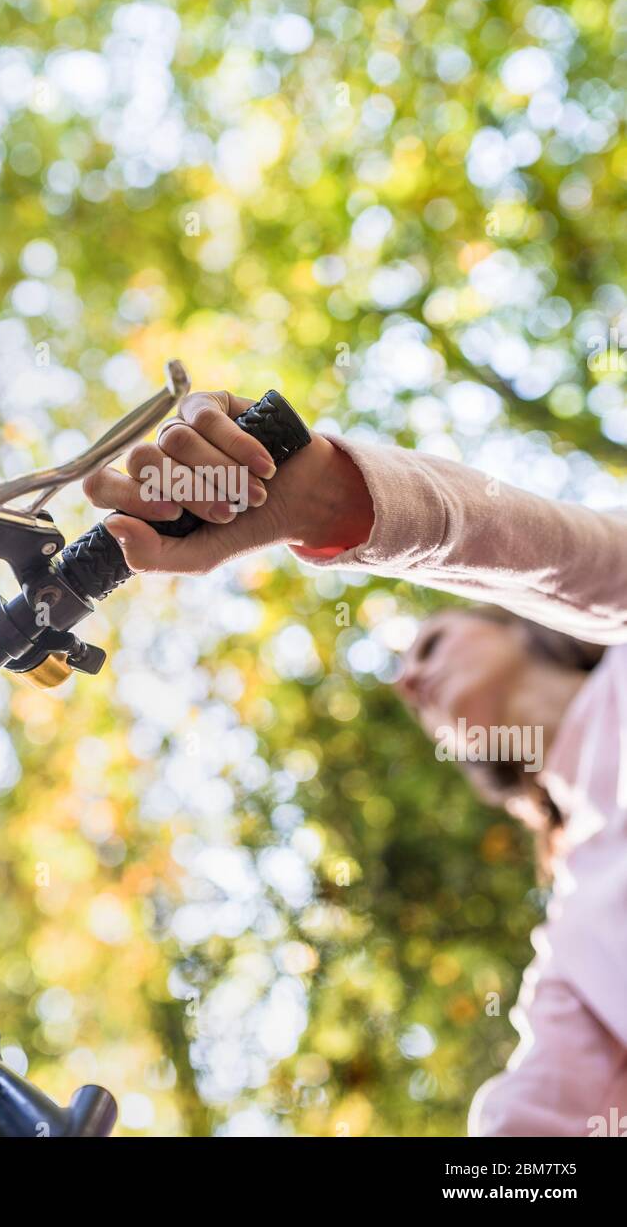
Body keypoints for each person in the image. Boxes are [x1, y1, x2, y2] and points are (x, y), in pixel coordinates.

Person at [83, 388, 627, 1137]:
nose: (407, 683)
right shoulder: (575, 939)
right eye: (406, 685)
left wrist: (329, 499)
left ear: (517, 622)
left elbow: (584, 554)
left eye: (430, 645)